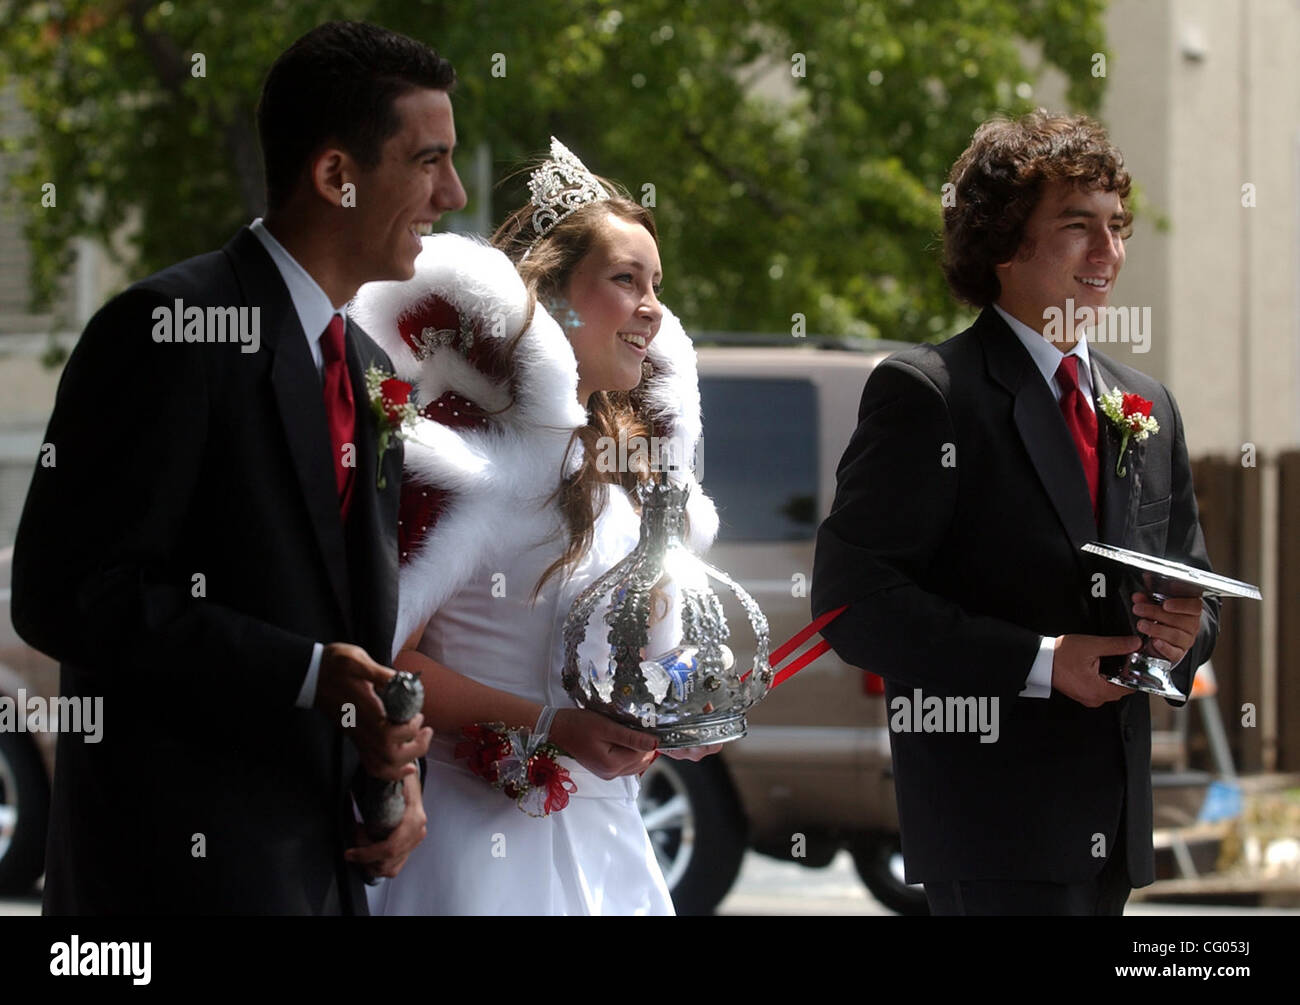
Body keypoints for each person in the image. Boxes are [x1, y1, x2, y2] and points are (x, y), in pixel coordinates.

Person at [10, 21, 464, 914]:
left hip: (329, 871)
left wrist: (393, 775)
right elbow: (65, 592)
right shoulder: (167, 330)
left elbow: (354, 630)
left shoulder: (372, 368)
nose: (450, 192)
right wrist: (300, 671)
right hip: (170, 884)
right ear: (336, 175)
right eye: (428, 160)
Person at [811, 111, 1219, 915]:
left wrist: (1186, 634)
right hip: (993, 826)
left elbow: (1191, 583)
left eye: (1116, 226)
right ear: (1003, 242)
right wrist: (1043, 659)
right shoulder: (929, 394)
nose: (1108, 253)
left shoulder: (1148, 404)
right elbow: (853, 604)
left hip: (1114, 824)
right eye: (1077, 226)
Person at [352, 139, 720, 915]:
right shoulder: (468, 459)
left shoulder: (633, 476)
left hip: (611, 845)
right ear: (553, 298)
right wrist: (547, 724)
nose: (653, 308)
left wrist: (689, 705)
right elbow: (389, 656)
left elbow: (649, 656)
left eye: (657, 285)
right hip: (475, 845)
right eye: (627, 280)